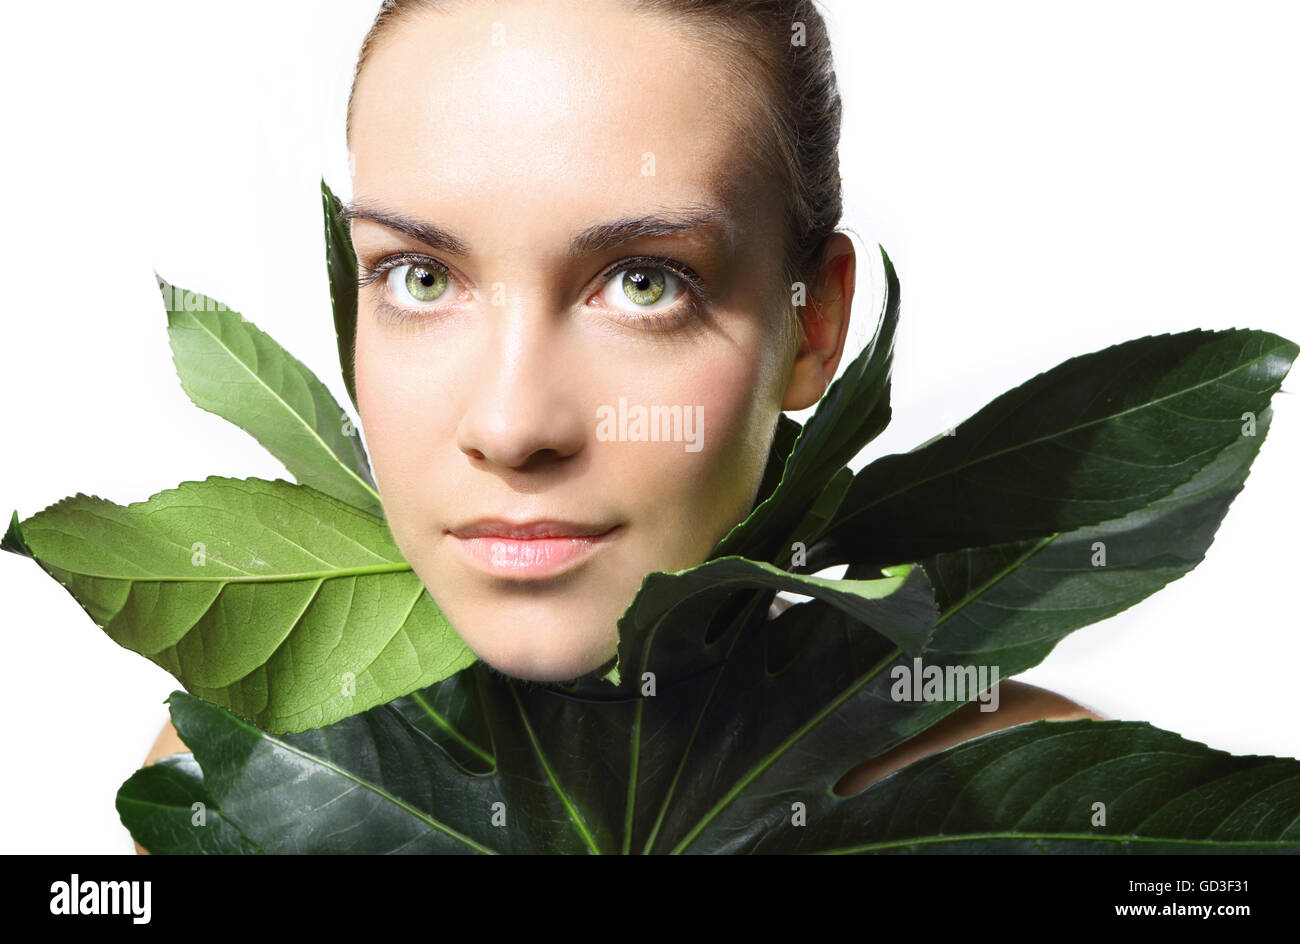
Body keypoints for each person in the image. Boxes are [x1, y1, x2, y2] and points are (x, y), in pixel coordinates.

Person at [138, 0, 1100, 852]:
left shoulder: (1028, 807)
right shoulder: (240, 774)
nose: (512, 427)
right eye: (419, 276)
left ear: (812, 323)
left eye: (645, 283)